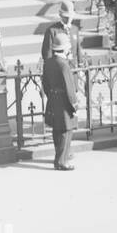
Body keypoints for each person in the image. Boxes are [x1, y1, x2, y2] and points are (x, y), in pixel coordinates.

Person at [42, 29, 78, 171]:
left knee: (57, 130)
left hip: (53, 100)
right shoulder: (64, 65)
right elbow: (70, 88)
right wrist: (74, 106)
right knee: (66, 131)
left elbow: (45, 84)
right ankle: (61, 161)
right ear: (64, 48)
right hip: (64, 102)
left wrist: (51, 95)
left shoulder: (49, 63)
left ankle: (60, 157)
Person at [41, 0, 82, 64]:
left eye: (70, 16)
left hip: (73, 67)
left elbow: (78, 49)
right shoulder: (52, 30)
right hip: (59, 67)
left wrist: (80, 64)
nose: (68, 19)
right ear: (61, 15)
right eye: (66, 16)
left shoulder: (75, 29)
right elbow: (47, 53)